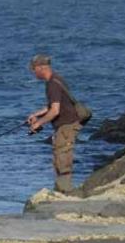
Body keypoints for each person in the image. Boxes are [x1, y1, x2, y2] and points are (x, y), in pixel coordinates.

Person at [26, 54, 83, 194]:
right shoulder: (56, 79)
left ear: (40, 68)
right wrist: (36, 114)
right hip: (65, 125)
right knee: (59, 157)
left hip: (66, 125)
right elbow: (52, 105)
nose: (33, 73)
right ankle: (61, 190)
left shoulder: (52, 84)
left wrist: (38, 123)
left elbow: (55, 111)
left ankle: (66, 191)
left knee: (63, 158)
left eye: (33, 69)